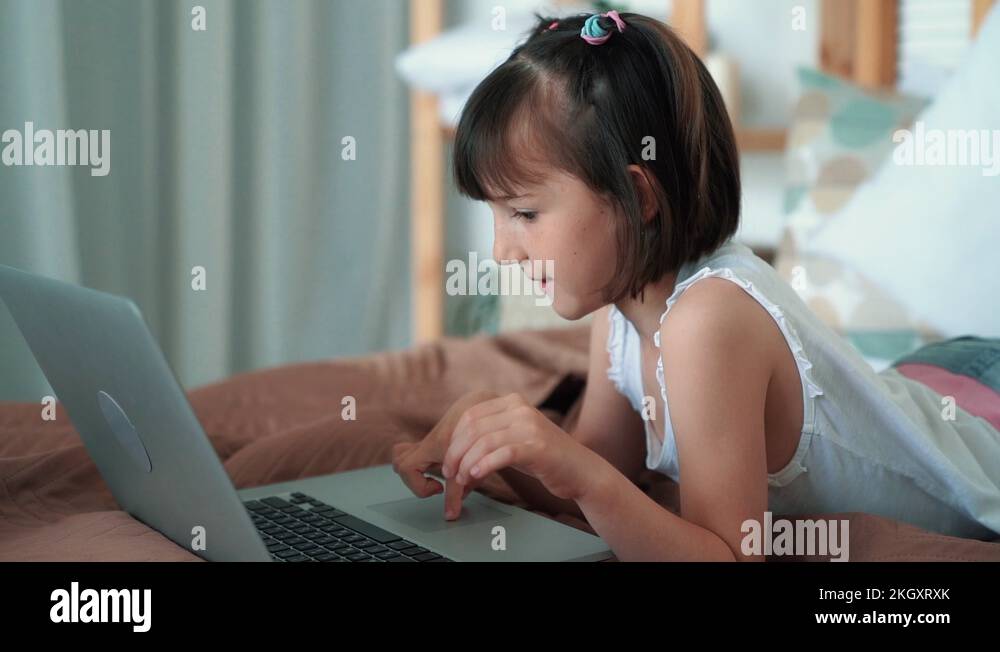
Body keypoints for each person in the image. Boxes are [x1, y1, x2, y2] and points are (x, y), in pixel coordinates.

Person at [392, 11, 1000, 561]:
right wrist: (499, 437)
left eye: (524, 214)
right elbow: (601, 470)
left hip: (979, 410)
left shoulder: (707, 322)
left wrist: (579, 471)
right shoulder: (623, 302)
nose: (501, 250)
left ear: (637, 196)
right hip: (931, 383)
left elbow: (728, 554)